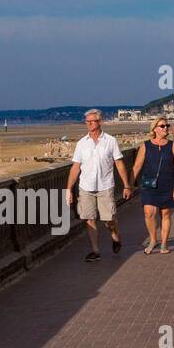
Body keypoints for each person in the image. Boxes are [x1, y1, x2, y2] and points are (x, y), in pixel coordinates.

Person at [64, 109, 131, 262]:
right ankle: (95, 251)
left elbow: (119, 163)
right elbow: (75, 168)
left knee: (109, 219)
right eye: (86, 121)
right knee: (89, 219)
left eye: (91, 121)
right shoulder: (82, 143)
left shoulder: (110, 141)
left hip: (105, 186)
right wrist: (69, 189)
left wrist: (127, 185)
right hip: (85, 187)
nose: (88, 124)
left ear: (99, 122)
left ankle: (115, 236)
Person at [132, 118, 174, 254]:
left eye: (167, 125)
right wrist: (129, 184)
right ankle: (154, 240)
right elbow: (137, 166)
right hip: (149, 184)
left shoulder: (173, 146)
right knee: (149, 212)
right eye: (162, 126)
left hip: (168, 184)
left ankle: (164, 243)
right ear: (154, 129)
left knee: (165, 213)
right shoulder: (146, 146)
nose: (166, 128)